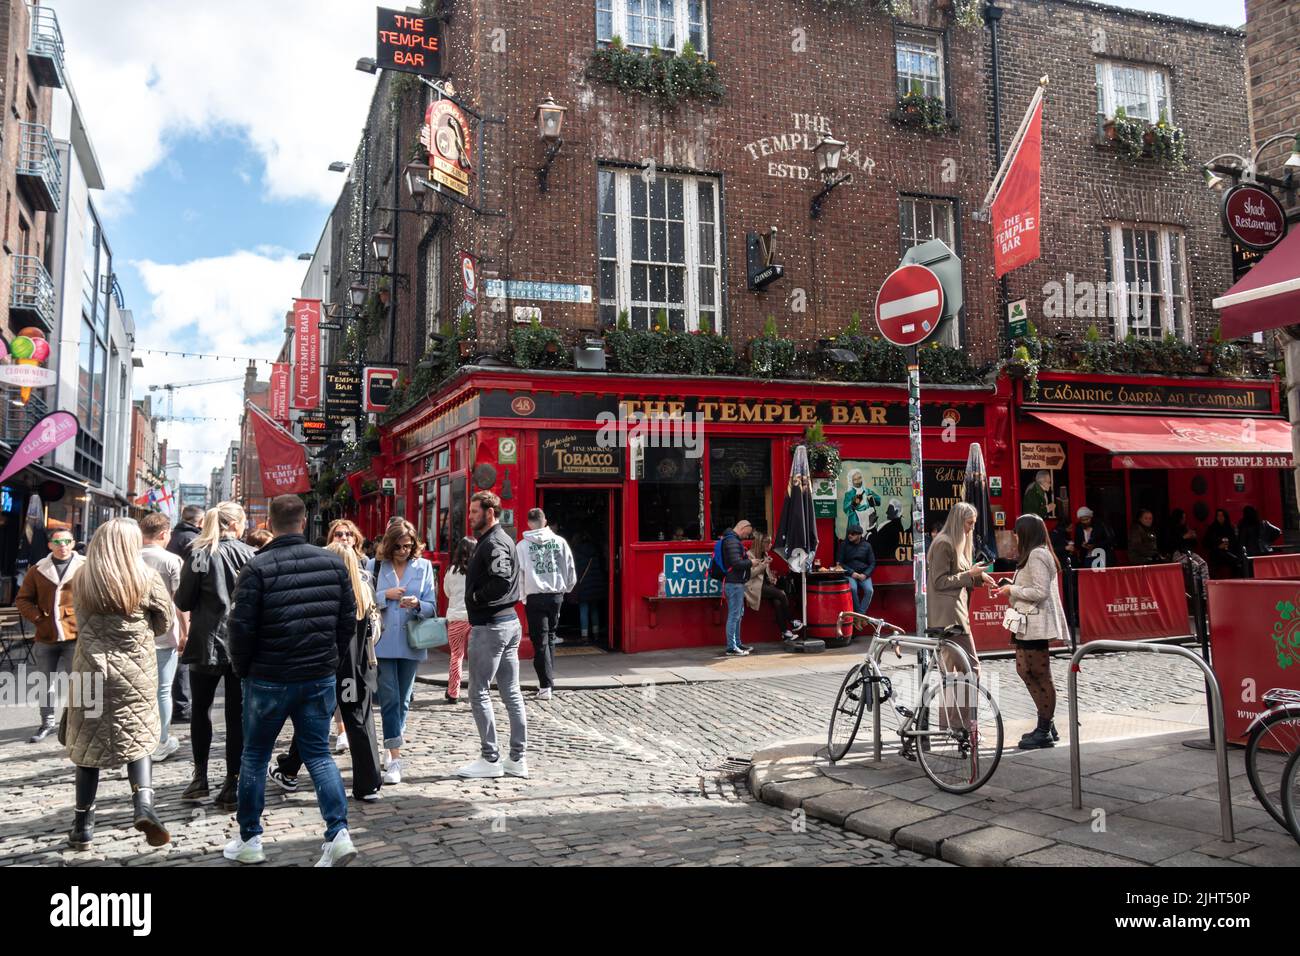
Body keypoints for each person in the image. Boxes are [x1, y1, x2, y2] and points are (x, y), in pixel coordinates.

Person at [223, 495, 359, 867]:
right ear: (303, 522)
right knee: (318, 754)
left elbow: (240, 627)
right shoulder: (333, 564)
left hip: (268, 676)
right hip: (317, 674)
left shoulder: (257, 567)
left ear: (271, 520)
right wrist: (329, 657)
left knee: (255, 755)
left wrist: (242, 668)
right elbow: (347, 620)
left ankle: (250, 838)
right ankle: (339, 833)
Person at [64, 518, 175, 851]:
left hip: (90, 671)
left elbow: (78, 620)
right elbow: (164, 620)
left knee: (86, 748)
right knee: (138, 738)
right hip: (135, 673)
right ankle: (144, 805)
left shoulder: (81, 577)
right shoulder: (146, 577)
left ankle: (83, 825)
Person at [271, 540, 383, 803]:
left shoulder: (326, 590)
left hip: (326, 665)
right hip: (359, 666)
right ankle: (368, 783)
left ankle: (289, 770)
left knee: (310, 720)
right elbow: (376, 631)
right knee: (361, 724)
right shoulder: (365, 588)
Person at [174, 501, 256, 810]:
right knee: (237, 715)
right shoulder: (250, 554)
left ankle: (200, 777)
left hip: (206, 640)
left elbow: (183, 600)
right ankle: (232, 782)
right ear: (235, 525)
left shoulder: (198, 554)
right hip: (241, 642)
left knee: (201, 711)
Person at [458, 490, 527, 779]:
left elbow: (500, 581)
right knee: (511, 692)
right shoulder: (498, 539)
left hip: (492, 627)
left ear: (490, 512)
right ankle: (516, 758)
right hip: (507, 624)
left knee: (478, 691)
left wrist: (475, 597)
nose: (470, 516)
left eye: (475, 511)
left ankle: (491, 759)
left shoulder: (495, 541)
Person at [370, 519, 437, 786]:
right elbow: (363, 600)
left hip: (411, 640)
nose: (402, 551)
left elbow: (433, 606)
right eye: (397, 546)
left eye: (407, 546)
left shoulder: (423, 567)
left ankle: (391, 740)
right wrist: (385, 594)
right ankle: (395, 757)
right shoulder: (374, 566)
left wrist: (418, 603)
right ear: (389, 545)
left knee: (405, 698)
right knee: (389, 697)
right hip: (383, 641)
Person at [994, 514, 1068, 749]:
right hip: (1026, 623)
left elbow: (1039, 591)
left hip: (1036, 623)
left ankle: (1044, 729)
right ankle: (1047, 722)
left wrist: (1012, 589)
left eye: (1017, 531)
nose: (1014, 536)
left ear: (1025, 532)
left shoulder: (1037, 554)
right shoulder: (1035, 553)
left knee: (1038, 673)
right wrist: (1011, 584)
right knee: (1025, 670)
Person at [15, 527, 84, 743]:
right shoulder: (38, 570)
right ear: (50, 545)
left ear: (73, 543)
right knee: (45, 683)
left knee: (78, 683)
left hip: (75, 634)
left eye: (66, 541)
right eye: (57, 542)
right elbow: (23, 599)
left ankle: (75, 725)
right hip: (46, 636)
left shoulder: (86, 566)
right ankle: (47, 722)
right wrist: (37, 618)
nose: (62, 545)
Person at [139, 512, 188, 762]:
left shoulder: (128, 559)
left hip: (135, 636)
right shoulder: (171, 560)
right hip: (164, 633)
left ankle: (139, 739)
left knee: (139, 690)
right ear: (163, 534)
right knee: (162, 690)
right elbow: (180, 602)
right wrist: (185, 632)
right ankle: (160, 740)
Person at [517, 508, 576, 701]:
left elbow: (520, 576)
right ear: (545, 521)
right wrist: (566, 589)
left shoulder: (522, 546)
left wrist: (523, 597)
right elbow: (569, 569)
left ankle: (545, 686)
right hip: (555, 595)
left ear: (528, 523)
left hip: (534, 597)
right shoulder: (560, 542)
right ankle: (549, 682)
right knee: (550, 637)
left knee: (540, 641)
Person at [926, 501, 989, 678]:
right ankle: (967, 707)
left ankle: (955, 707)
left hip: (953, 614)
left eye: (974, 523)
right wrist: (970, 574)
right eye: (970, 523)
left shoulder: (956, 542)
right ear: (958, 521)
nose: (972, 528)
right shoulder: (944, 544)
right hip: (950, 617)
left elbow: (958, 574)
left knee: (952, 673)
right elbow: (940, 581)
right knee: (971, 670)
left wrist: (979, 577)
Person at [442, 535, 475, 704]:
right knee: (477, 657)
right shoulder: (477, 570)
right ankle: (477, 692)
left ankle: (453, 692)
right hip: (474, 619)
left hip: (455, 617)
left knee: (456, 655)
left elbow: (447, 592)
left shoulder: (451, 570)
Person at [745, 532, 794, 641]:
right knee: (781, 594)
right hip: (754, 587)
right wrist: (764, 564)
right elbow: (750, 574)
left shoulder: (765, 555)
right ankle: (792, 621)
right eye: (768, 543)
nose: (771, 545)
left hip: (765, 585)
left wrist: (772, 578)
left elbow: (766, 574)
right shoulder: (749, 555)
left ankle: (784, 632)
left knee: (777, 602)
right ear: (762, 544)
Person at [720, 519, 755, 657]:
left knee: (738, 615)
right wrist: (751, 562)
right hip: (734, 584)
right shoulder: (732, 541)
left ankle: (737, 643)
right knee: (734, 615)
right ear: (742, 527)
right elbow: (736, 563)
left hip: (736, 583)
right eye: (747, 533)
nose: (746, 537)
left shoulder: (731, 540)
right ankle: (731, 647)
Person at [570, 531, 606, 643]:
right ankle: (596, 634)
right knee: (594, 609)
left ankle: (584, 635)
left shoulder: (575, 552)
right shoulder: (595, 550)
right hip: (595, 584)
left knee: (583, 609)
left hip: (584, 584)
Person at [836, 524, 877, 619]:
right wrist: (852, 573)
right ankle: (859, 616)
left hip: (863, 574)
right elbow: (839, 563)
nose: (850, 535)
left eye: (853, 534)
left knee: (869, 590)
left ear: (859, 535)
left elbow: (872, 563)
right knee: (853, 589)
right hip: (850, 574)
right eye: (849, 533)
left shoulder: (867, 546)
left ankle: (859, 616)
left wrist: (865, 574)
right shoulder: (844, 545)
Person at [1204, 508, 1245, 578]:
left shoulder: (1230, 527)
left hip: (1229, 552)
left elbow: (1235, 542)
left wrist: (1228, 545)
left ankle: (1237, 581)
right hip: (1216, 553)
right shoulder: (1212, 528)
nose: (1220, 518)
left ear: (1225, 517)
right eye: (1218, 516)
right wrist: (1218, 547)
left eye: (1222, 516)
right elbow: (1206, 543)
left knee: (1238, 560)